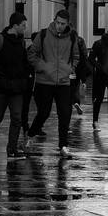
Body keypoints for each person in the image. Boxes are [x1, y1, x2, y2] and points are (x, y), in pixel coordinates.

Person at [26, 9, 80, 156]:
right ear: (54, 20)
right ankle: (31, 134)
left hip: (63, 81)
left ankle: (63, 145)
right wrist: (42, 67)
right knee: (43, 113)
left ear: (68, 24)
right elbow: (32, 54)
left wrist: (70, 69)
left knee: (65, 113)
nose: (59, 26)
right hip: (45, 81)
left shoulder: (72, 37)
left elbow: (76, 56)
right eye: (57, 22)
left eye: (62, 24)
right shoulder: (43, 34)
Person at [0, 12, 32, 158]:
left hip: (17, 87)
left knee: (17, 118)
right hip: (0, 88)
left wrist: (25, 79)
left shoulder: (22, 43)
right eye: (23, 26)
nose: (25, 28)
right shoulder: (0, 40)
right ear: (15, 25)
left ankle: (12, 148)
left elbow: (24, 63)